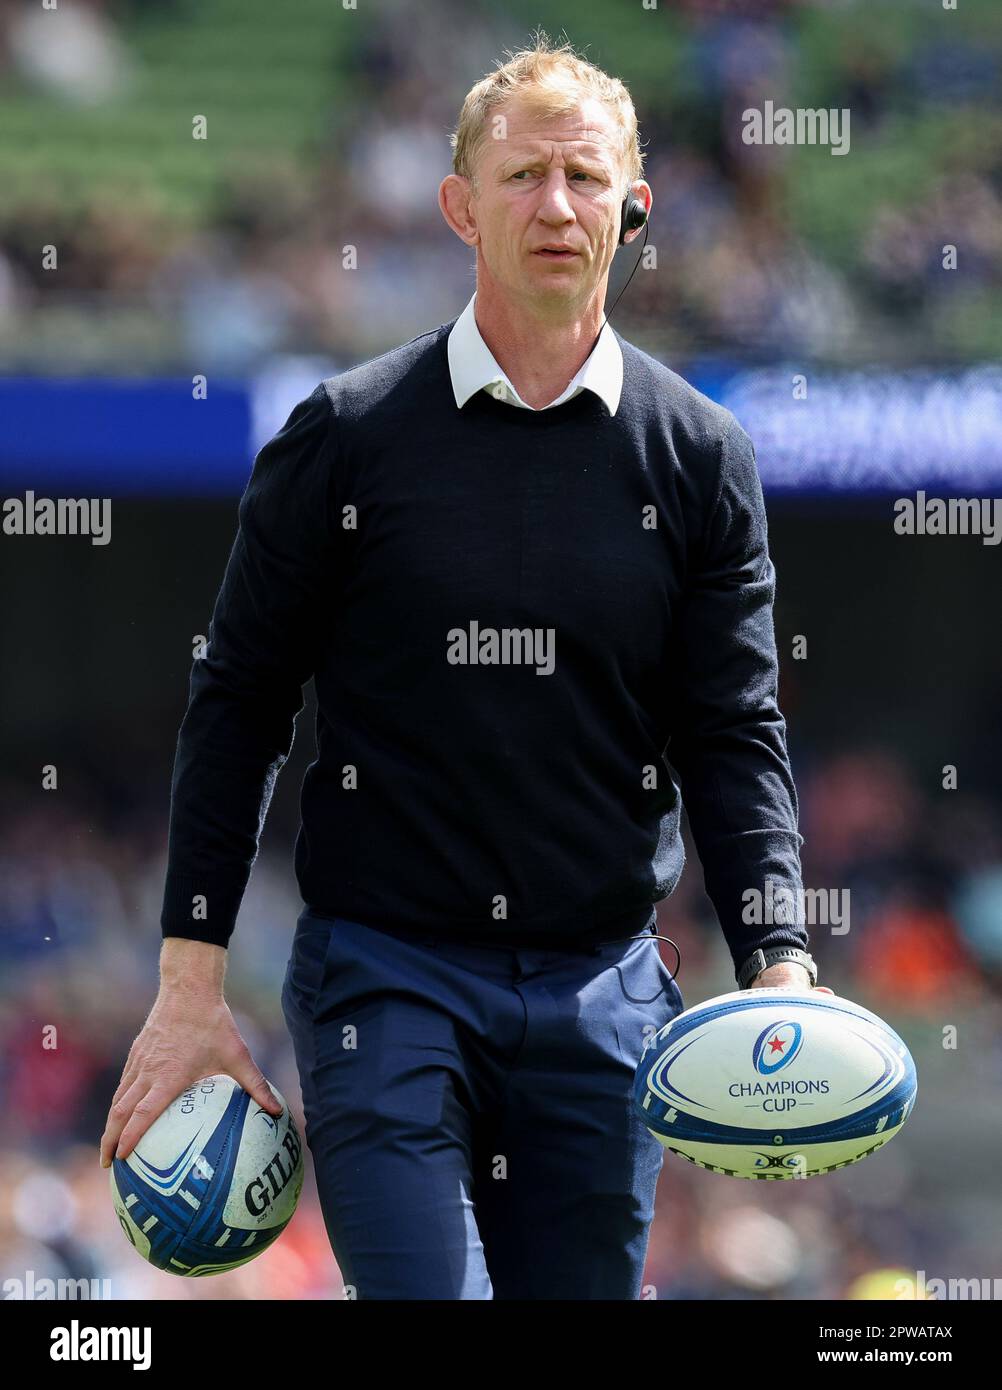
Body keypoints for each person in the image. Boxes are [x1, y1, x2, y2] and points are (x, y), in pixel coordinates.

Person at [101, 35, 827, 1300]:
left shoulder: (703, 458)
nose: (557, 205)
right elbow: (239, 707)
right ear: (460, 207)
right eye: (524, 175)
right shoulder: (343, 439)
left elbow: (733, 729)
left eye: (587, 179)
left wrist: (777, 957)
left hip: (608, 991)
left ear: (635, 209)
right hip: (387, 975)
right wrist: (187, 983)